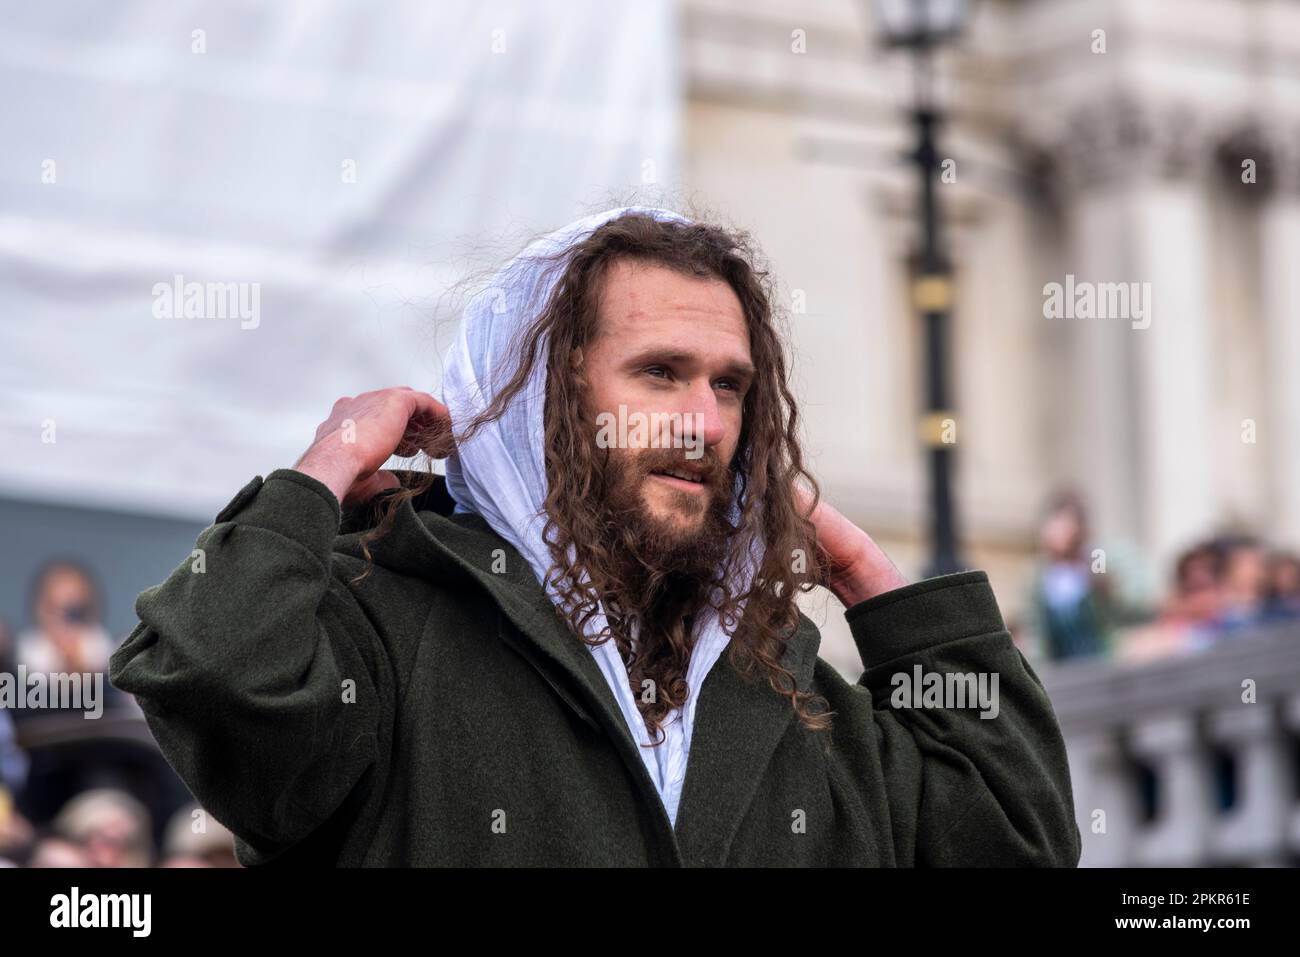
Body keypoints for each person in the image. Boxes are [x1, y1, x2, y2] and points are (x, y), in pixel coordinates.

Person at [110, 207, 1080, 867]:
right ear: (542, 397)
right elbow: (213, 674)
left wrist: (877, 585)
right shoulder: (379, 628)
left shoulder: (787, 687)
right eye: (658, 372)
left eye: (729, 385)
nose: (704, 423)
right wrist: (319, 472)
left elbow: (1014, 839)